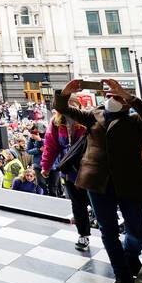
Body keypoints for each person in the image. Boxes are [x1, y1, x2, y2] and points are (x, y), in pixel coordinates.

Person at [55, 78, 142, 283]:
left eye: (117, 96)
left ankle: (129, 256)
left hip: (130, 182)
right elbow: (63, 108)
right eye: (110, 96)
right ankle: (121, 275)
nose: (112, 99)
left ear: (128, 103)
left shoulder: (137, 123)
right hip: (96, 181)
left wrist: (129, 96)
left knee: (138, 230)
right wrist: (66, 92)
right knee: (108, 230)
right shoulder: (95, 116)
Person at [43, 96, 91, 251]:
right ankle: (83, 234)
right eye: (67, 105)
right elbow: (51, 146)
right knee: (77, 204)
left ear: (79, 107)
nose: (70, 108)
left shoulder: (88, 121)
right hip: (69, 170)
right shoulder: (56, 123)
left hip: (89, 168)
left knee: (96, 202)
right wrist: (46, 166)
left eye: (74, 105)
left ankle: (109, 233)